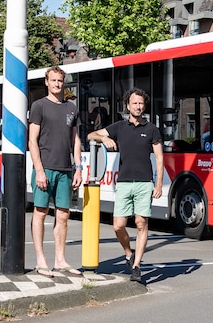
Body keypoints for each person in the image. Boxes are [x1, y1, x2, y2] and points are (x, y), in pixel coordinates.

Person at [88, 88, 164, 284]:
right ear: (128, 106)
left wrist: (158, 184)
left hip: (144, 183)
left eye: (141, 103)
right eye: (135, 103)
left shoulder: (152, 129)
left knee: (141, 223)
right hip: (123, 183)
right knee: (118, 226)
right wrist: (104, 137)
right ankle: (129, 253)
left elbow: (159, 158)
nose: (138, 106)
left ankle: (137, 267)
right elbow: (90, 135)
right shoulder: (120, 126)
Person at [27, 66, 82, 277]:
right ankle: (41, 261)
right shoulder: (39, 106)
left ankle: (60, 260)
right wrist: (39, 170)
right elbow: (32, 140)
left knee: (63, 215)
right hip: (45, 167)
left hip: (65, 169)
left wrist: (77, 168)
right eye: (54, 80)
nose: (58, 84)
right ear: (46, 82)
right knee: (40, 212)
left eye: (60, 81)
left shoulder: (71, 108)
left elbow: (75, 139)